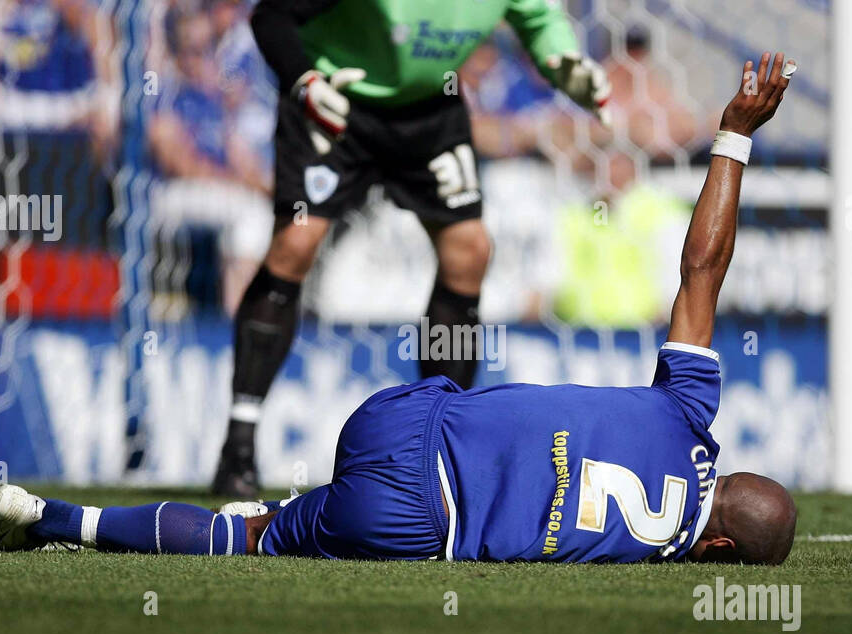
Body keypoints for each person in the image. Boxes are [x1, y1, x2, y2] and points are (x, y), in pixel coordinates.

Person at [0, 53, 798, 566]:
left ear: (722, 479)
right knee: (246, 542)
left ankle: (230, 489)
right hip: (416, 523)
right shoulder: (658, 554)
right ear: (715, 549)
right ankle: (54, 520)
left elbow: (702, 268)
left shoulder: (691, 415)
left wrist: (733, 135)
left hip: (407, 420)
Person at [211, 0, 612, 497]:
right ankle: (239, 445)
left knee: (470, 250)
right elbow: (270, 16)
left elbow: (539, 20)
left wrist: (562, 62)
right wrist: (304, 81)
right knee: (296, 241)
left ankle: (441, 448)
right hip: (334, 101)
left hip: (428, 110)